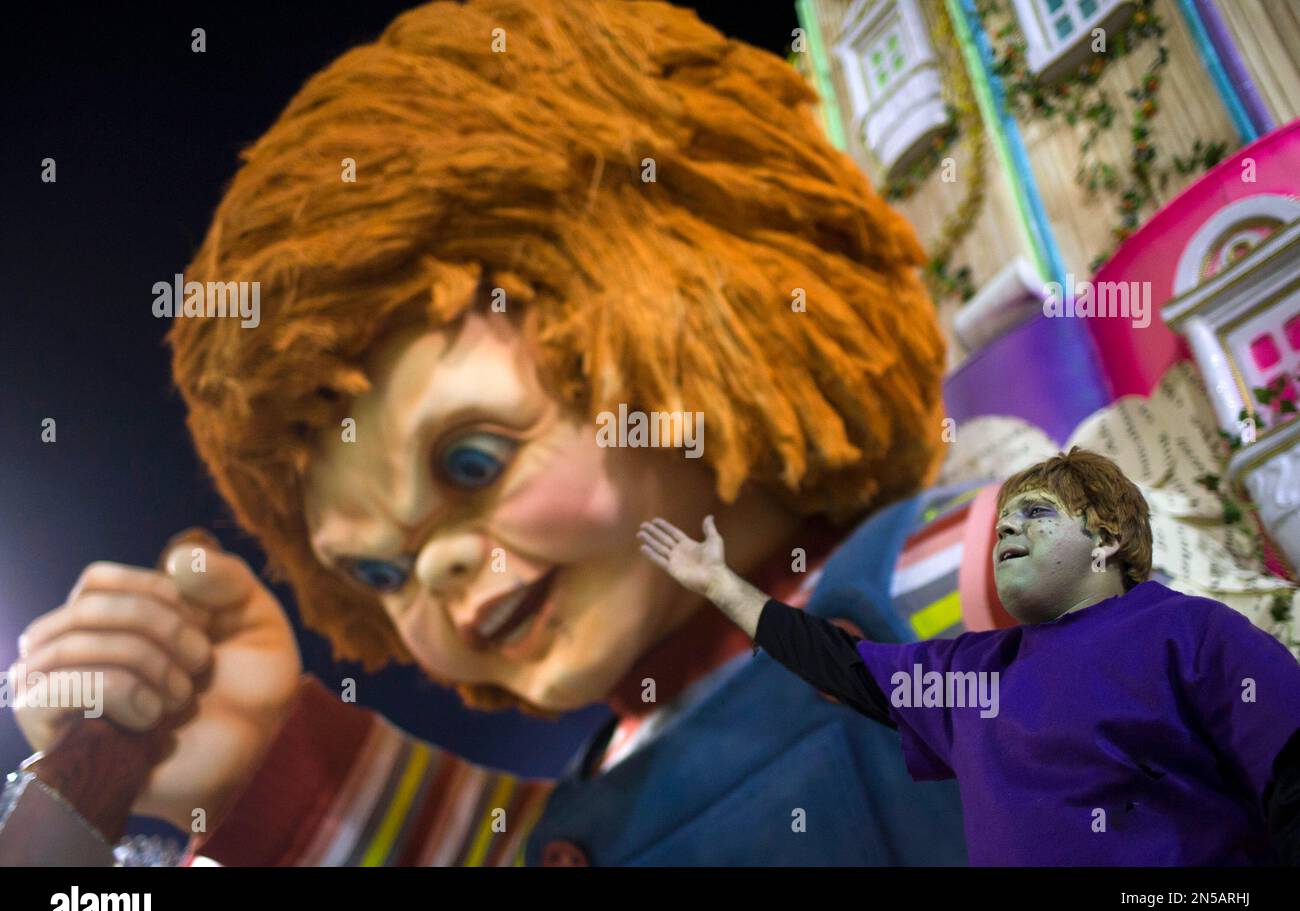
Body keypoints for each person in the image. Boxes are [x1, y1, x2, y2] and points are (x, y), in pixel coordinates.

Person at [8, 0, 968, 866]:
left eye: (474, 460)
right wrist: (265, 751)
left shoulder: (944, 590)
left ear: (670, 301)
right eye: (379, 574)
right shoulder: (595, 796)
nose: (436, 575)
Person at [639, 448, 1300, 865]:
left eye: (1034, 513)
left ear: (1104, 540)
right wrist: (722, 586)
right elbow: (842, 665)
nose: (1006, 528)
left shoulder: (1189, 632)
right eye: (1004, 520)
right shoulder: (972, 672)